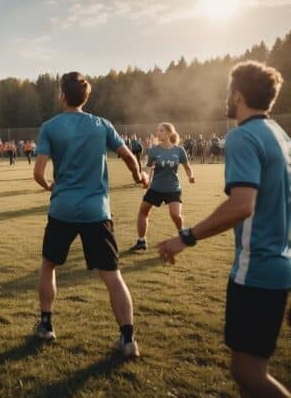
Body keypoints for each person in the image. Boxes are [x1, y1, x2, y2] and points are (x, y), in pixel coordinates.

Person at [158, 61, 289, 396]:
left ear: (239, 95)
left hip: (256, 269)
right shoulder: (280, 136)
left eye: (229, 91)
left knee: (248, 372)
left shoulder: (243, 137)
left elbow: (242, 205)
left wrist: (184, 237)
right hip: (281, 265)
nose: (226, 97)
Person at [32, 72, 149, 358]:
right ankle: (128, 339)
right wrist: (139, 176)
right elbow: (128, 156)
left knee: (49, 266)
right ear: (86, 97)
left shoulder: (50, 126)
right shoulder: (102, 124)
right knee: (112, 275)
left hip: (62, 209)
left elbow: (39, 172)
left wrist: (49, 185)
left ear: (62, 96)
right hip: (97, 211)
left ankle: (46, 325)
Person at [128, 123, 195, 251]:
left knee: (175, 215)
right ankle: (141, 241)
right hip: (155, 188)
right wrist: (145, 178)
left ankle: (181, 232)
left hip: (173, 189)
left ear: (170, 133)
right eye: (157, 130)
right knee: (143, 212)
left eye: (161, 131)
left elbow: (187, 167)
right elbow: (148, 169)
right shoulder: (153, 150)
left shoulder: (179, 150)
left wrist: (190, 176)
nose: (158, 133)